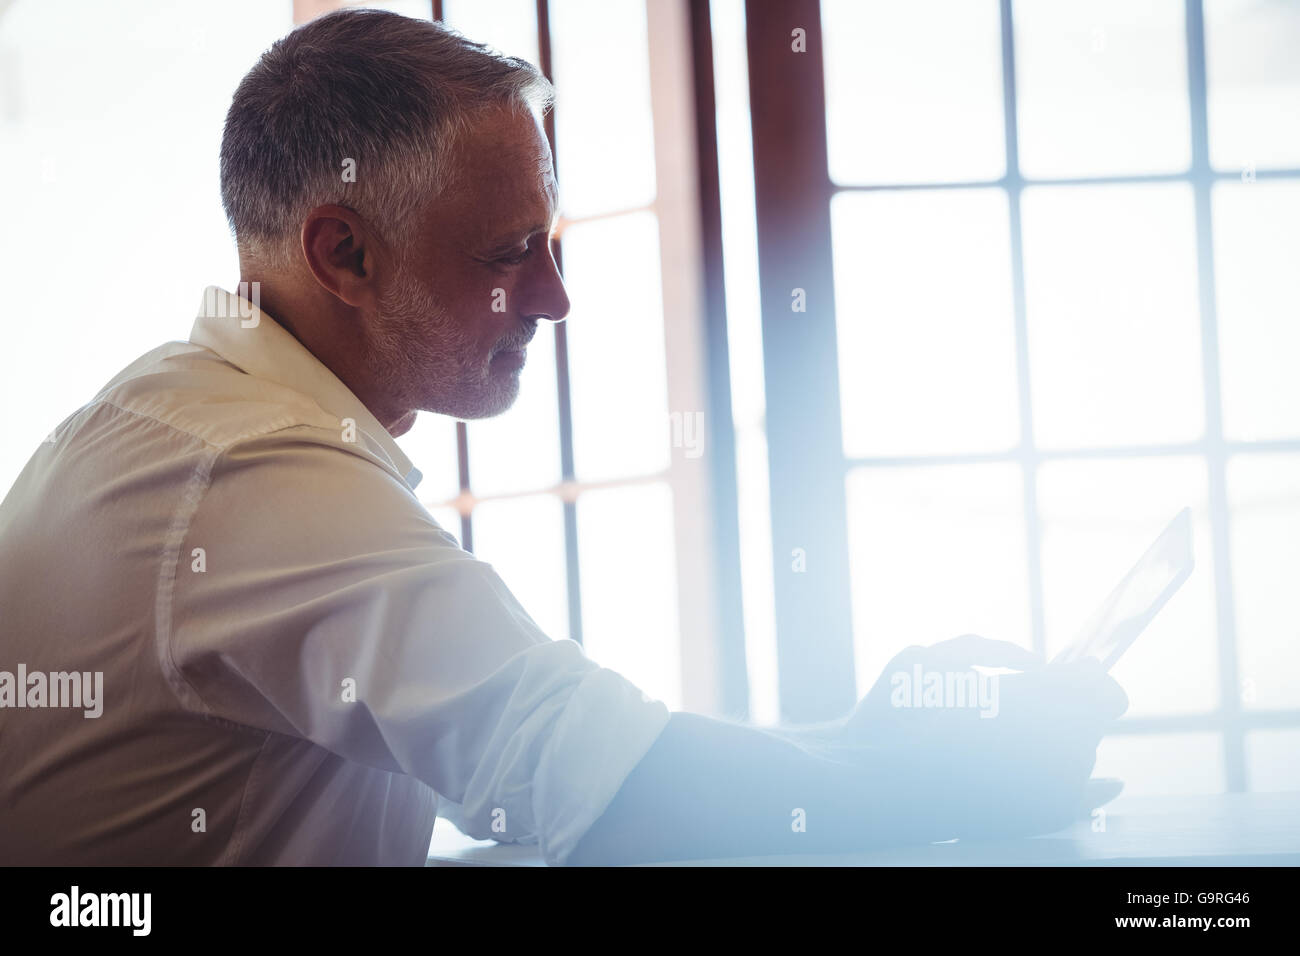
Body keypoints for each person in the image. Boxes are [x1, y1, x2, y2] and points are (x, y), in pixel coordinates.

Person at [0, 8, 1126, 867]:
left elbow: (540, 773)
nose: (553, 299)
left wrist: (862, 740)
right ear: (341, 254)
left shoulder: (180, 418)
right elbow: (600, 785)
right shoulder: (249, 476)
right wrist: (957, 779)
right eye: (505, 256)